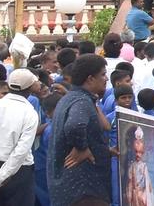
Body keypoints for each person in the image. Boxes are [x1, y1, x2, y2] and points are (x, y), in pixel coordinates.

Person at [48, 54, 112, 206]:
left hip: (70, 189)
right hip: (83, 189)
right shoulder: (81, 101)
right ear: (90, 79)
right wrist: (82, 147)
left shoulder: (70, 98)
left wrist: (103, 150)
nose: (106, 79)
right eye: (103, 74)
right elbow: (74, 126)